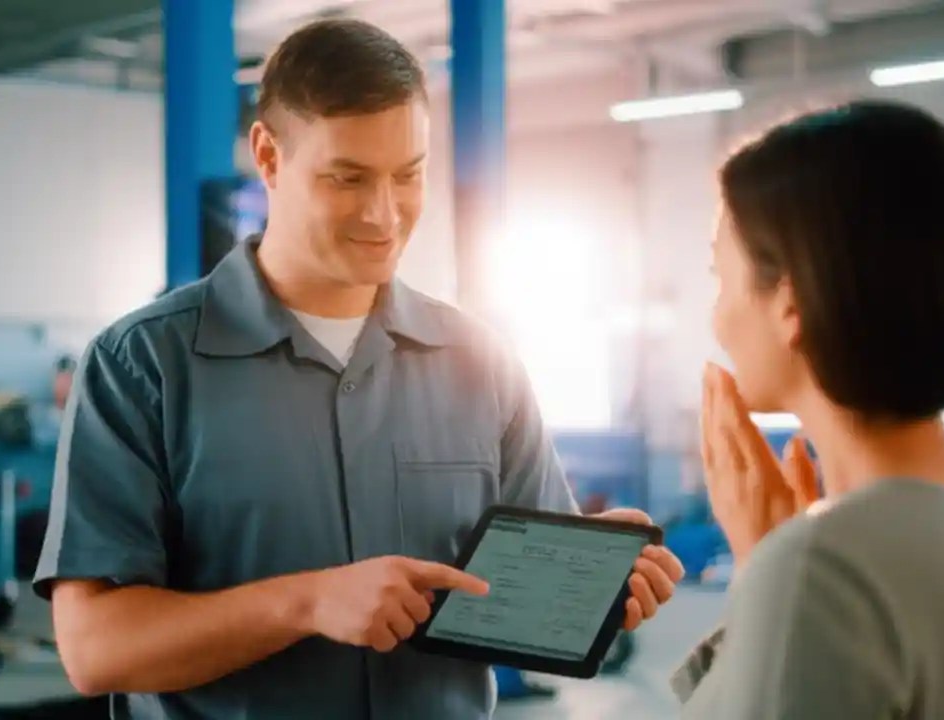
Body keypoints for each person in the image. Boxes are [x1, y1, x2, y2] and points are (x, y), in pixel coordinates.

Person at [33, 18, 684, 720]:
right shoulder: (143, 367)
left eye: (409, 176)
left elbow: (522, 613)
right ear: (269, 157)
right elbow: (96, 651)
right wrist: (306, 602)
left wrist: (600, 587)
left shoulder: (481, 363)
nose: (384, 214)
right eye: (348, 178)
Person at [675, 100, 944, 718]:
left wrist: (765, 573)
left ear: (791, 300)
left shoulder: (822, 569)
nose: (717, 320)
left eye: (719, 277)